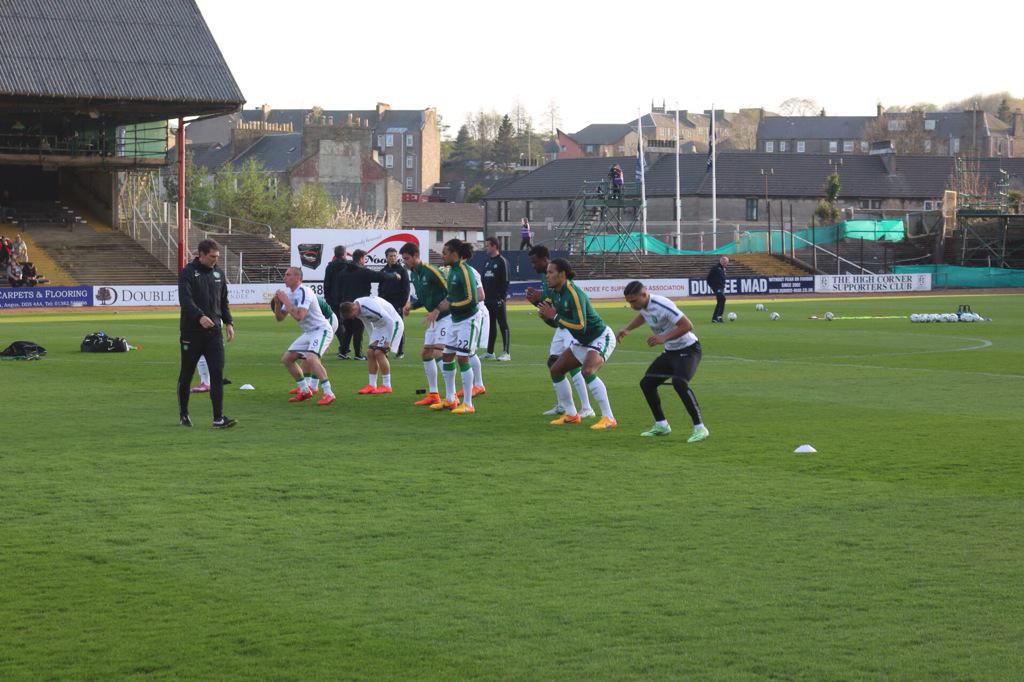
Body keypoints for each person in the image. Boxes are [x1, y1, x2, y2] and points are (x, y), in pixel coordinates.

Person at [617, 281, 708, 442]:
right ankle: (662, 425)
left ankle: (700, 428)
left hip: (689, 349)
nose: (631, 305)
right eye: (628, 302)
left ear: (643, 295)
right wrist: (627, 329)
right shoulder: (644, 306)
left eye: (633, 301)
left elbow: (687, 325)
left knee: (679, 382)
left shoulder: (662, 304)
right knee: (647, 383)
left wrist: (663, 338)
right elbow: (643, 315)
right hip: (671, 352)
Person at [534, 258, 617, 429]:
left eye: (550, 272)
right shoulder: (555, 293)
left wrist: (554, 316)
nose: (547, 276)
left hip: (599, 337)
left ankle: (609, 418)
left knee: (587, 371)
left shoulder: (574, 293)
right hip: (582, 340)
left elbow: (580, 326)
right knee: (556, 369)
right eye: (547, 272)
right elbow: (560, 324)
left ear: (562, 274)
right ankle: (571, 414)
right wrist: (548, 318)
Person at [525, 245, 595, 419]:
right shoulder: (546, 277)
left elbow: (559, 306)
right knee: (553, 362)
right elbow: (549, 307)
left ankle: (586, 408)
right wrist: (536, 302)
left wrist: (542, 304)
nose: (533, 266)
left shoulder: (557, 277)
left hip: (569, 325)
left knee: (571, 365)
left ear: (544, 259)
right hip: (561, 326)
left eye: (535, 262)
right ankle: (563, 405)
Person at [177, 238, 236, 428]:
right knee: (186, 374)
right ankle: (184, 414)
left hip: (213, 334)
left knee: (217, 373)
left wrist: (228, 322)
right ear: (200, 255)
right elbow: (185, 301)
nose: (215, 260)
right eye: (212, 257)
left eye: (217, 257)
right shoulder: (187, 273)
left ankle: (218, 418)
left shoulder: (219, 273)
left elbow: (223, 301)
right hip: (191, 332)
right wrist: (199, 316)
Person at [424, 238, 478, 414]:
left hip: (467, 321)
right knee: (447, 356)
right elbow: (451, 297)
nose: (442, 255)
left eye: (445, 252)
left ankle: (468, 403)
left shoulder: (464, 271)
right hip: (455, 321)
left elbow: (472, 299)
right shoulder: (452, 271)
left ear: (455, 254)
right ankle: (450, 399)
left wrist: (452, 306)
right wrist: (440, 309)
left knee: (463, 358)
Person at [273, 267, 337, 406]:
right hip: (309, 332)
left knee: (311, 358)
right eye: (285, 275)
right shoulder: (290, 294)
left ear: (297, 278)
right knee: (287, 359)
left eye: (288, 275)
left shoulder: (304, 291)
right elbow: (279, 318)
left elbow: (299, 316)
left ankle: (328, 393)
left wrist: (285, 301)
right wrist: (278, 303)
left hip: (321, 330)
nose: (284, 277)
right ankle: (304, 390)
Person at [400, 242, 450, 407]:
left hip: (446, 316)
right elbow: (424, 298)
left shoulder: (432, 271)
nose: (405, 262)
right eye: (404, 259)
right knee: (426, 353)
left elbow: (452, 293)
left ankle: (451, 396)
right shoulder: (414, 274)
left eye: (407, 258)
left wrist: (437, 310)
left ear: (416, 256)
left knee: (438, 353)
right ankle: (434, 394)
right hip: (434, 317)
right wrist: (411, 306)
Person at [338, 249, 399, 360]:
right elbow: (380, 276)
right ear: (361, 258)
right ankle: (358, 354)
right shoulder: (363, 271)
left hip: (345, 305)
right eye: (364, 259)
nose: (365, 261)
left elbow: (337, 289)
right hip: (359, 305)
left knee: (348, 330)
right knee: (358, 330)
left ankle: (343, 351)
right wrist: (394, 276)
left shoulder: (343, 272)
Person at [340, 296, 404, 395]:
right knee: (370, 352)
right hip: (380, 326)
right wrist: (372, 341)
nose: (352, 318)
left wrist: (388, 341)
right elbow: (367, 324)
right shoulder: (357, 309)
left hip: (393, 323)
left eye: (351, 316)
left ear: (354, 308)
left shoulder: (369, 306)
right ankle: (371, 385)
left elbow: (390, 321)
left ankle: (387, 385)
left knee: (379, 352)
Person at [455, 243, 487, 400]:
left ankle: (478, 385)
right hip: (463, 316)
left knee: (467, 352)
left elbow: (480, 295)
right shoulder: (457, 271)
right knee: (465, 352)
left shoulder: (470, 273)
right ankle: (477, 385)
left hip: (473, 315)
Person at [379, 247, 411, 359]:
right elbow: (380, 287)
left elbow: (406, 288)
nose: (393, 258)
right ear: (386, 257)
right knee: (385, 326)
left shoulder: (402, 270)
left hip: (397, 304)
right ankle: (385, 349)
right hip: (385, 304)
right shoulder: (383, 271)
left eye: (394, 256)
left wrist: (402, 304)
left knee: (399, 326)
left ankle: (400, 351)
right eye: (390, 256)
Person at [481, 237, 510, 361]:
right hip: (487, 300)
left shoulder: (502, 261)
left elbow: (506, 281)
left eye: (487, 245)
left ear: (494, 246)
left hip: (498, 300)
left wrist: (502, 298)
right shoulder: (488, 262)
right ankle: (490, 352)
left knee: (503, 324)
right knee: (490, 326)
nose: (486, 247)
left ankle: (506, 353)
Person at [323, 245, 349, 357]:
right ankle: (349, 347)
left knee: (337, 323)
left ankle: (344, 346)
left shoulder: (330, 267)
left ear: (335, 254)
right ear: (345, 253)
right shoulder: (349, 265)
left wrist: (327, 298)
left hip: (333, 299)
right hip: (347, 298)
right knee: (350, 324)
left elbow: (326, 284)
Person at [706, 256, 729, 323]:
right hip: (717, 288)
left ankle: (717, 317)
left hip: (721, 287)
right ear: (721, 261)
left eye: (727, 263)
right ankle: (717, 317)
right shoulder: (715, 268)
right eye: (725, 262)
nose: (726, 264)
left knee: (721, 300)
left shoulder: (723, 269)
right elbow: (708, 278)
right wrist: (713, 286)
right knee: (722, 298)